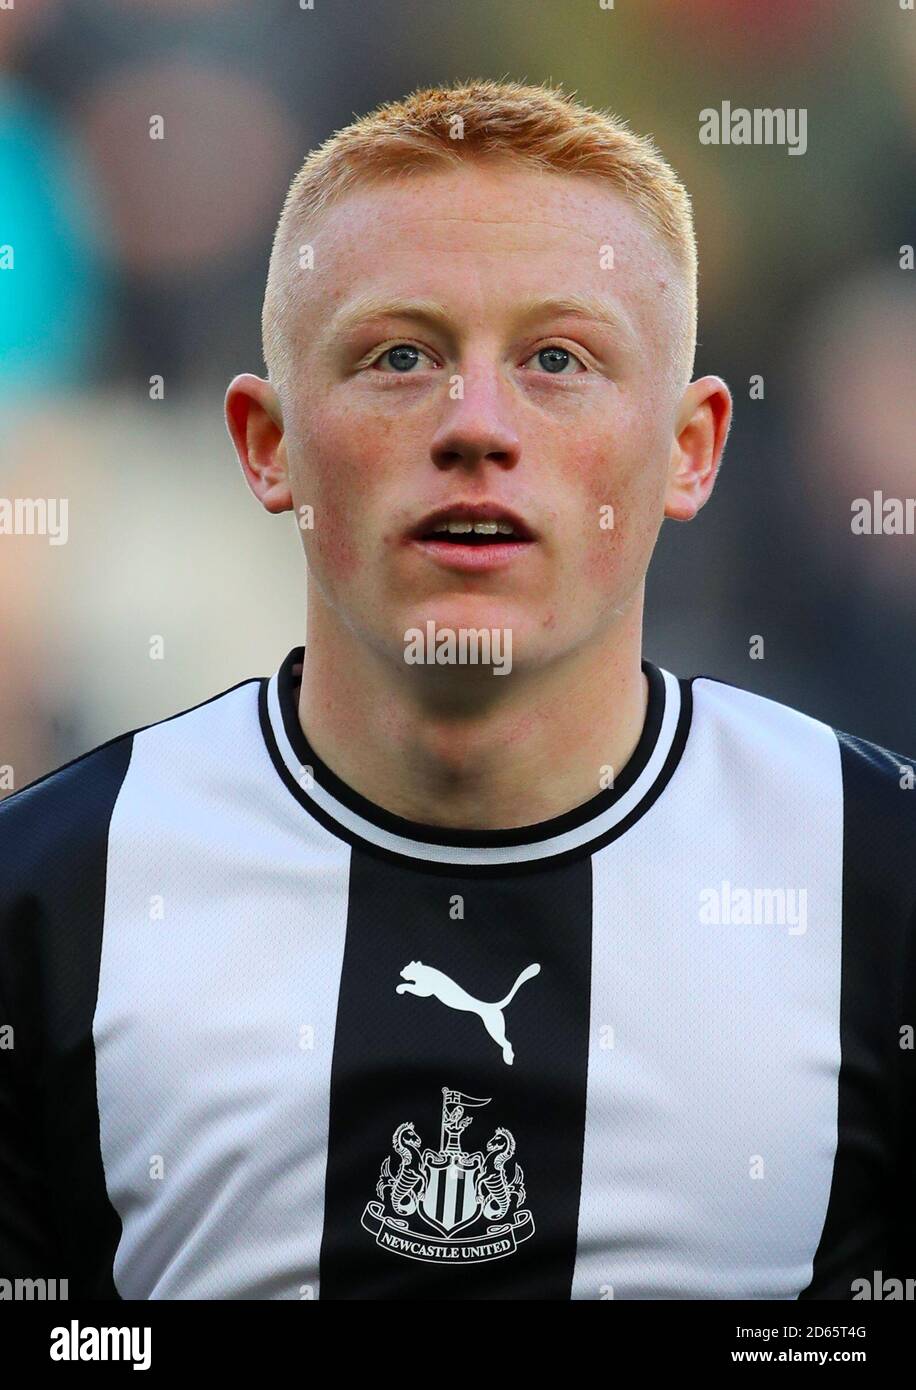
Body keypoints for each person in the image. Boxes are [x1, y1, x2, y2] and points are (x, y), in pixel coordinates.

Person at [1, 79, 913, 1302]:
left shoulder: (882, 886)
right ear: (267, 446)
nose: (474, 425)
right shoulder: (48, 904)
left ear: (689, 448)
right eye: (398, 356)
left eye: (556, 358)